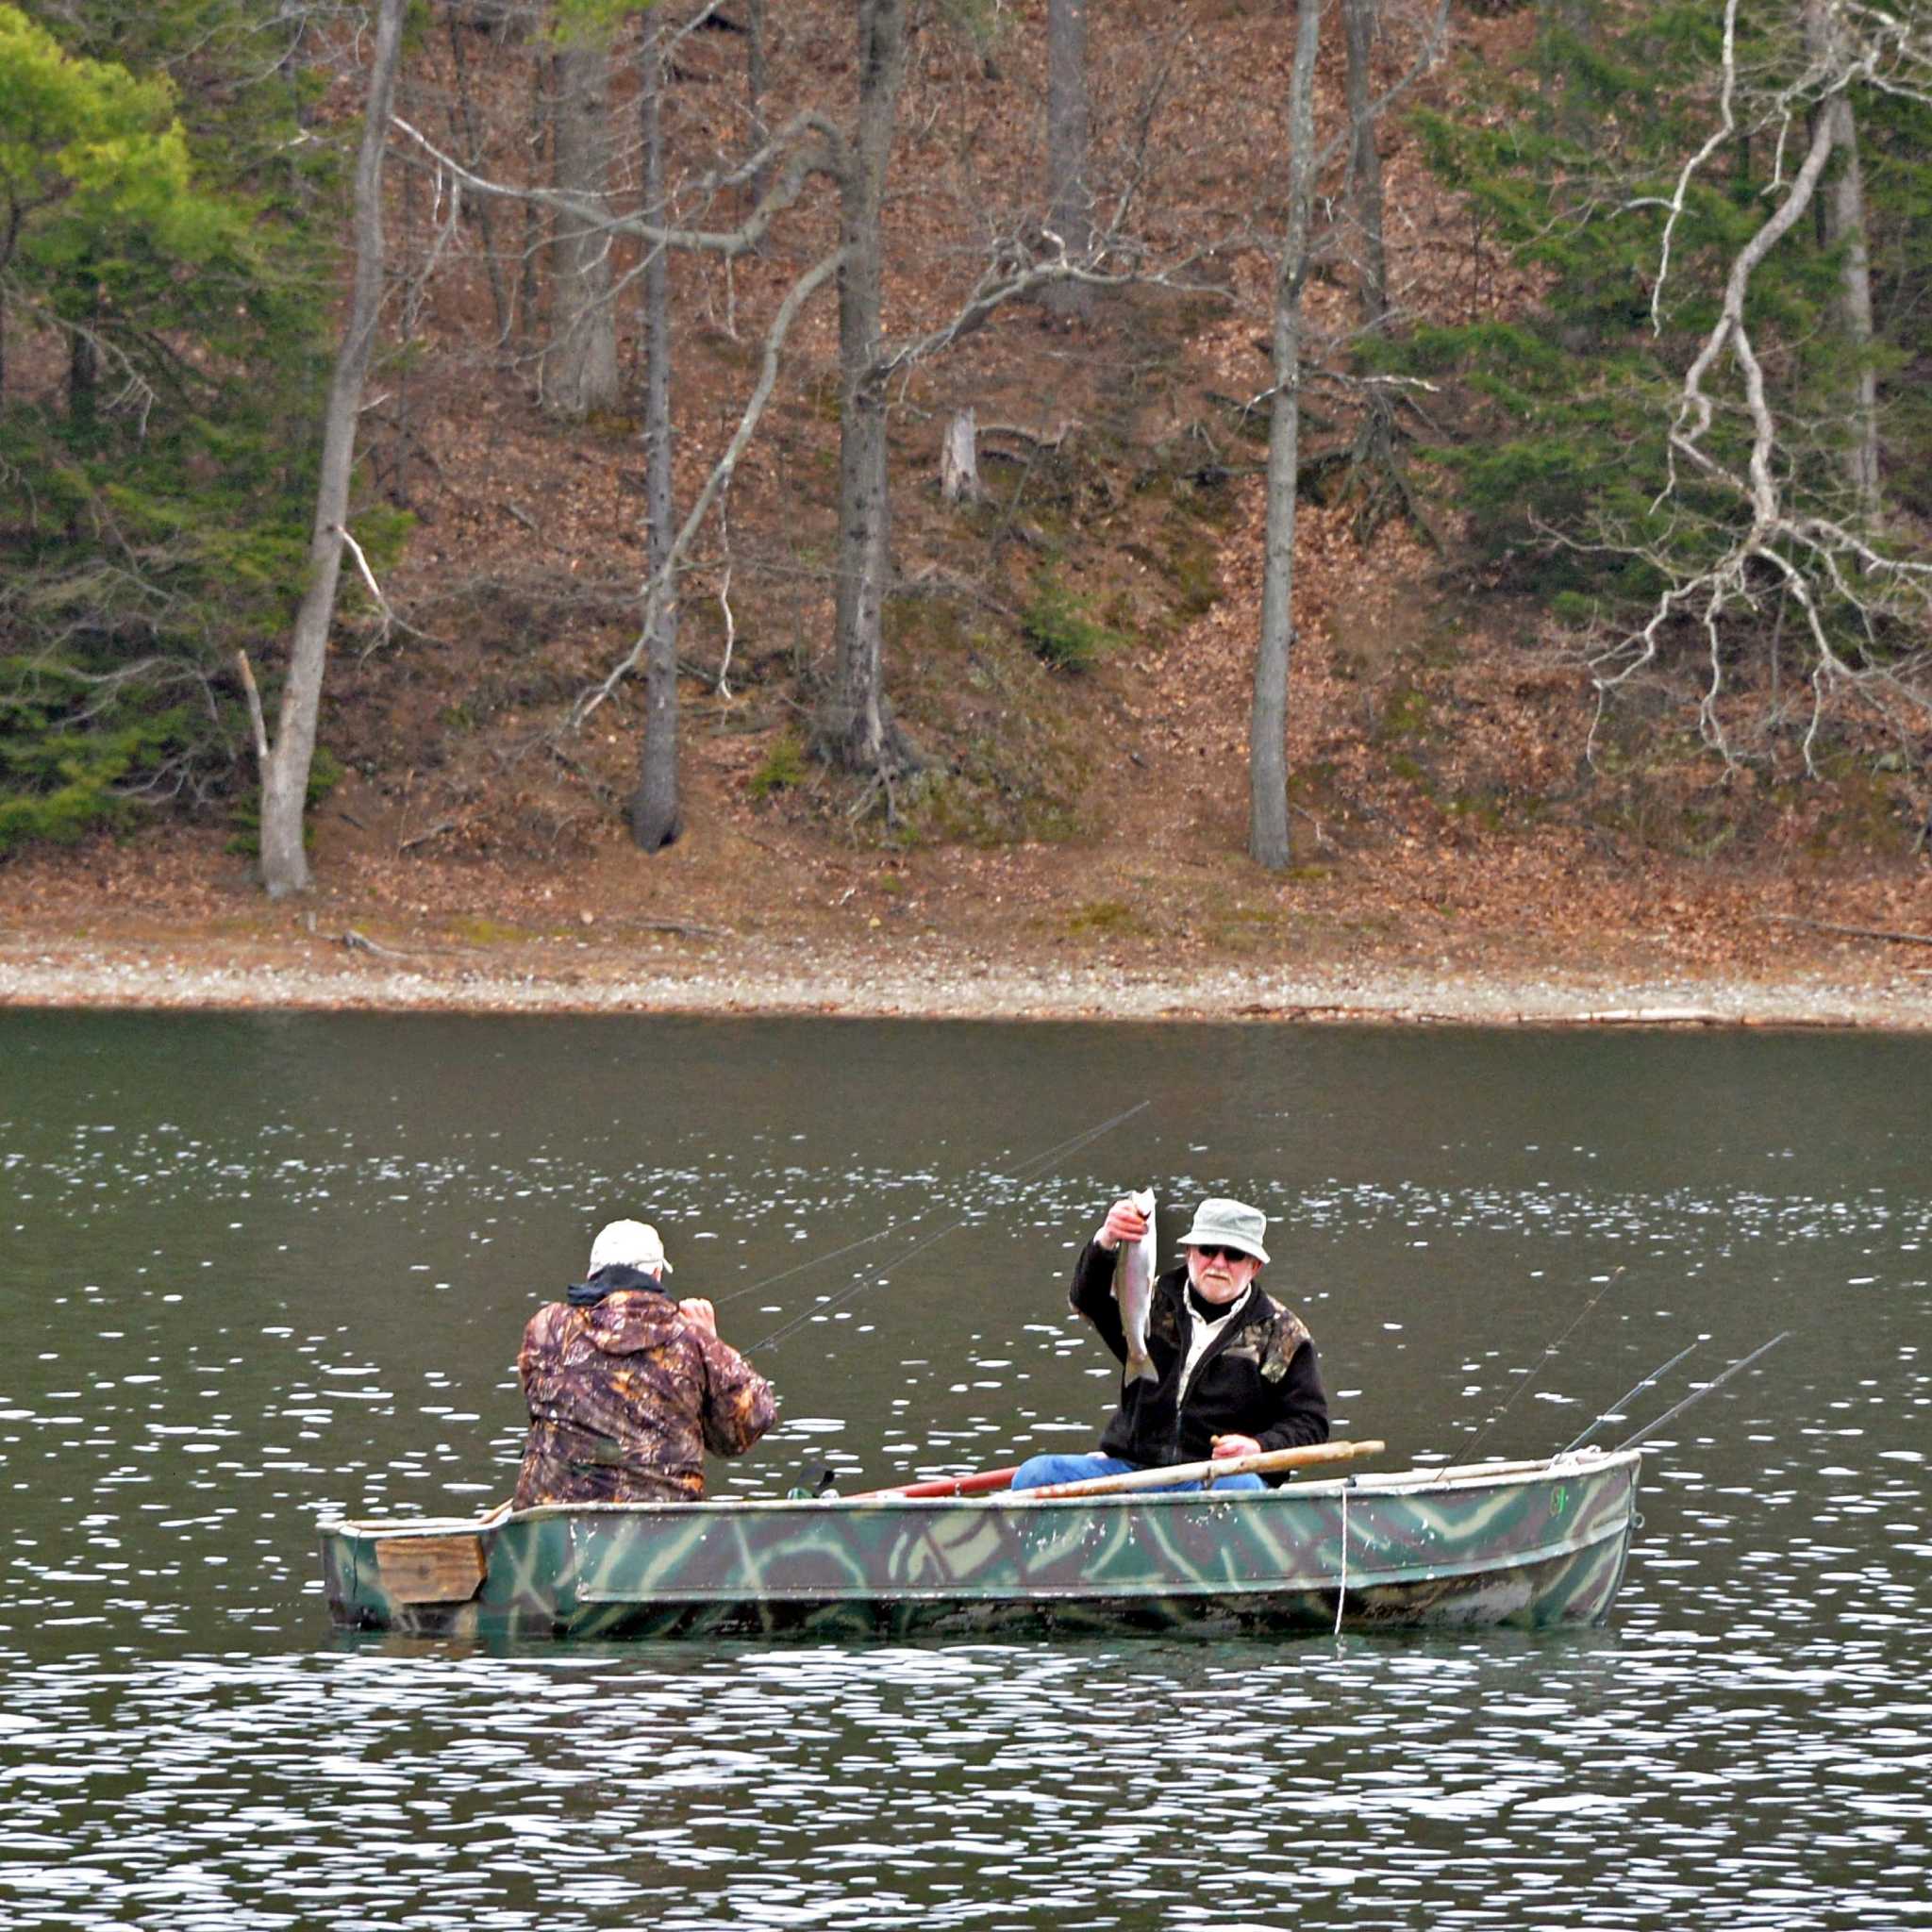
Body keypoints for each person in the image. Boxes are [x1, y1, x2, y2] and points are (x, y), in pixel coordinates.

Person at [1008, 1194, 1328, 1493]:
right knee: (1034, 1475)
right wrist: (1105, 1241)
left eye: (1233, 1255)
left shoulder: (1283, 1334)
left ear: (1254, 1266)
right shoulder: (1147, 1299)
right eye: (1208, 1249)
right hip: (1130, 1469)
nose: (1218, 1263)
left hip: (1214, 1480)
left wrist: (1259, 1447)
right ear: (1189, 1253)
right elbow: (1087, 1298)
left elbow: (1310, 1424)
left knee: (1241, 1488)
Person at [512, 1218, 775, 1508]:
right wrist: (712, 1341)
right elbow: (744, 1428)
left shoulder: (546, 1328)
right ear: (656, 1273)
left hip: (552, 1527)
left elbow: (538, 1399)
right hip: (663, 1531)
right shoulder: (690, 1338)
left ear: (591, 1273)